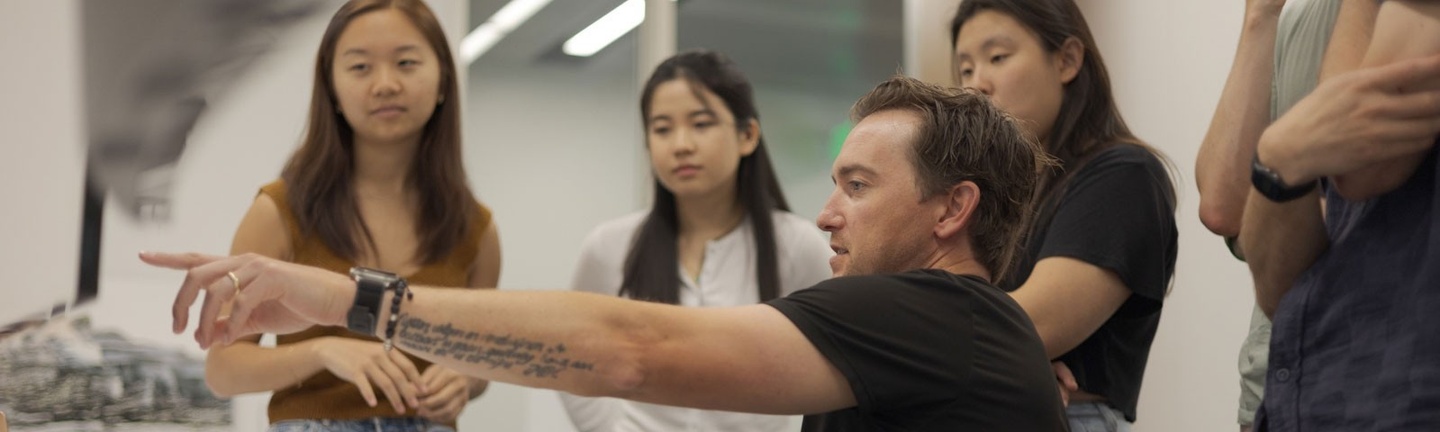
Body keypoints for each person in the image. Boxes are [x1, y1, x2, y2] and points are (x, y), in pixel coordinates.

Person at [146, 75, 1068, 431]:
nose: (828, 215)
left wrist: (348, 298)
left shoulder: (941, 313)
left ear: (955, 209)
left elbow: (630, 349)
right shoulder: (952, 332)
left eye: (859, 188)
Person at [200, 1, 501, 431]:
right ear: (332, 89)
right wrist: (321, 351)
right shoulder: (281, 211)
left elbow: (485, 355)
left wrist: (467, 379)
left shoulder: (476, 229)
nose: (385, 84)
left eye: (406, 63)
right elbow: (223, 369)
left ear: (442, 83)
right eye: (360, 68)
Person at [560, 50, 832, 431]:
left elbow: (838, 367)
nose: (681, 144)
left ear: (747, 135)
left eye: (701, 124)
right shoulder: (610, 246)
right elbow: (572, 356)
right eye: (662, 128)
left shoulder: (796, 245)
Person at [949, 0, 1178, 429]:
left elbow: (1030, 325)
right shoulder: (992, 195)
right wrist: (1011, 367)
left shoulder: (1123, 175)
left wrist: (1008, 355)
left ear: (1067, 60)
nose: (976, 84)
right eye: (965, 69)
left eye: (997, 57)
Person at [1239, 0, 1440, 429]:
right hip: (1306, 392)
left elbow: (1354, 162)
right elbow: (1282, 290)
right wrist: (1279, 159)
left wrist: (1285, 153)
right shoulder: (1303, 20)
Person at [1192, 0, 1346, 430]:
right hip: (1271, 389)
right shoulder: (1300, 16)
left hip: (1375, 380)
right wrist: (1261, 16)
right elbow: (1223, 206)